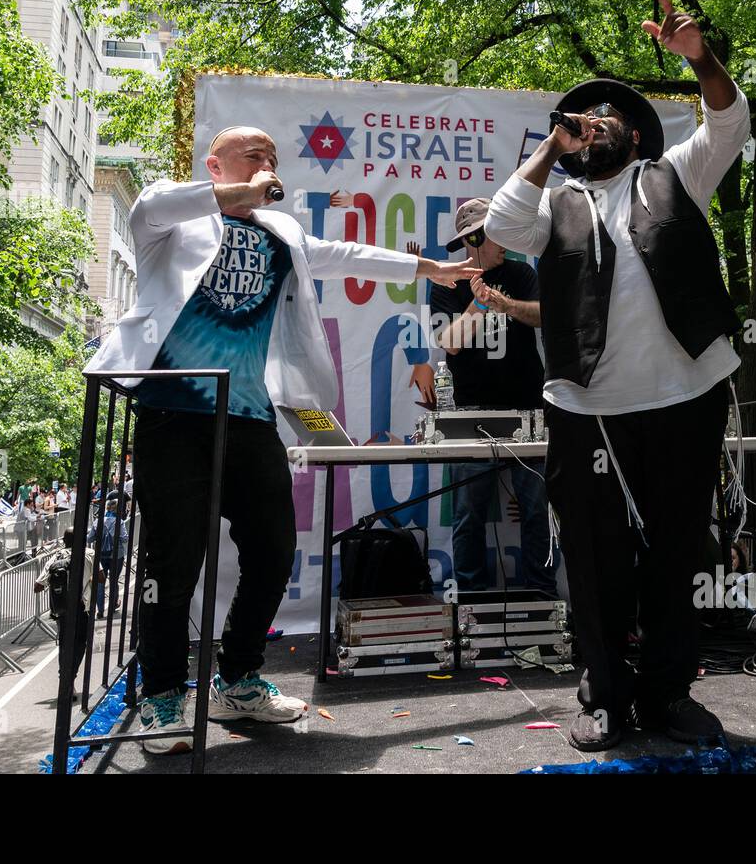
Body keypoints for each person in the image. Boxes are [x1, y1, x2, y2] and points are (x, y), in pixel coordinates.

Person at [84, 122, 478, 754]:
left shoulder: (282, 232)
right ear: (214, 164)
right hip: (172, 412)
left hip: (248, 416)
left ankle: (237, 678)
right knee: (173, 562)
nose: (267, 163)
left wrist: (425, 265)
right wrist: (240, 193)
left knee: (272, 550)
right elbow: (156, 206)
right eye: (252, 154)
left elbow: (344, 255)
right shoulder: (170, 217)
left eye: (272, 156)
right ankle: (162, 697)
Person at [485, 0, 749, 751]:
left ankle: (669, 694)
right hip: (587, 405)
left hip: (685, 395)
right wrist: (547, 150)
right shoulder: (555, 205)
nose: (592, 123)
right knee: (595, 559)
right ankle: (604, 695)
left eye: (606, 117)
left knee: (676, 551)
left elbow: (730, 121)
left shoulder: (677, 176)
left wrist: (698, 56)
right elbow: (501, 227)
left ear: (634, 133)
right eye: (581, 117)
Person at [431, 198, 556, 597]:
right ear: (476, 237)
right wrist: (480, 302)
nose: (506, 241)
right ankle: (469, 602)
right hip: (471, 411)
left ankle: (543, 599)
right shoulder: (447, 280)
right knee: (469, 512)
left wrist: (506, 304)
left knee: (537, 508)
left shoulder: (521, 273)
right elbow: (449, 343)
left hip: (529, 408)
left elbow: (543, 314)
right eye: (497, 232)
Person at [34, 527, 102, 701]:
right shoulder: (89, 554)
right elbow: (101, 578)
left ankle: (64, 680)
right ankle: (70, 679)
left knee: (64, 646)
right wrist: (88, 578)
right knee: (80, 645)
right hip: (82, 607)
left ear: (64, 541)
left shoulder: (56, 557)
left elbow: (38, 586)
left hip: (62, 610)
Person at [90, 495, 131, 619]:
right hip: (116, 555)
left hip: (101, 555)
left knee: (101, 582)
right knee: (114, 580)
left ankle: (100, 610)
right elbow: (124, 538)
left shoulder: (98, 521)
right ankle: (113, 605)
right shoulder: (120, 522)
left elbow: (90, 538)